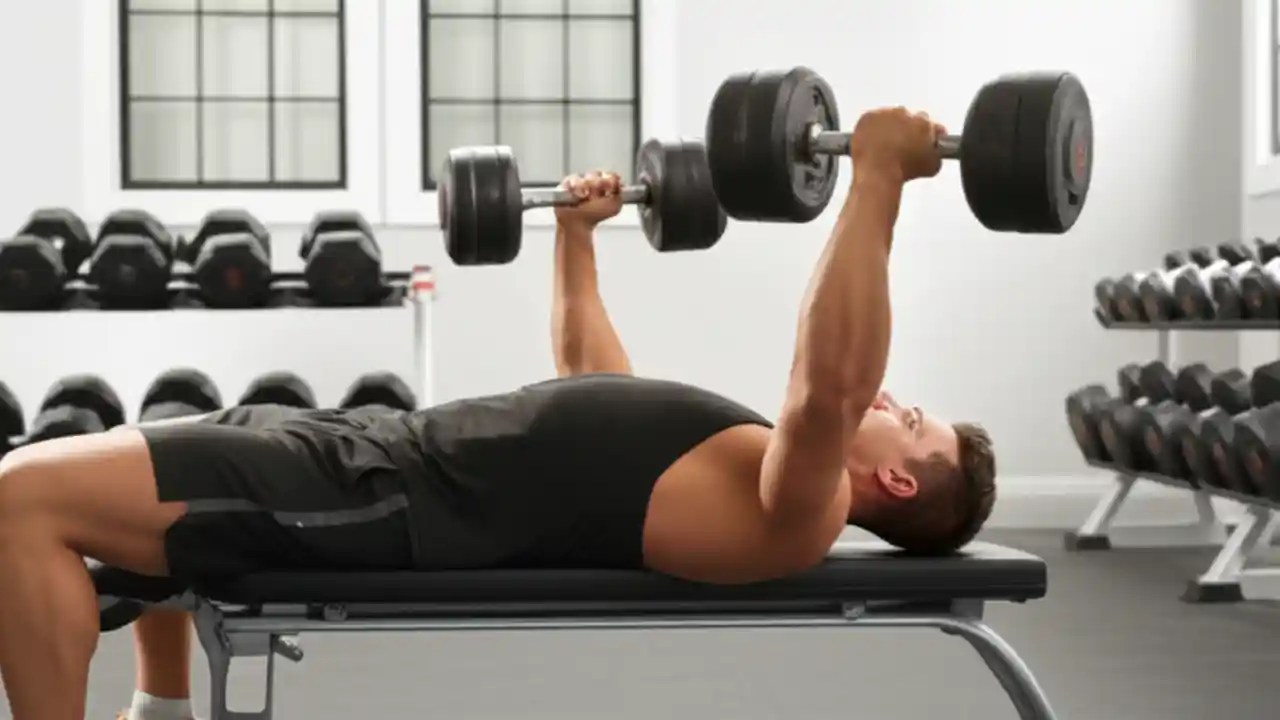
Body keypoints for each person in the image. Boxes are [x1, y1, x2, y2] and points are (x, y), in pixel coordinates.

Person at [0, 107, 996, 720]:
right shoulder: (746, 467)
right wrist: (575, 240)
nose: (891, 400)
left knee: (21, 500)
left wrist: (872, 180)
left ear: (895, 483)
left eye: (912, 422)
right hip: (366, 455)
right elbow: (590, 385)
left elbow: (826, 382)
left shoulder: (799, 510)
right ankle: (164, 709)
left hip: (381, 496)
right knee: (147, 461)